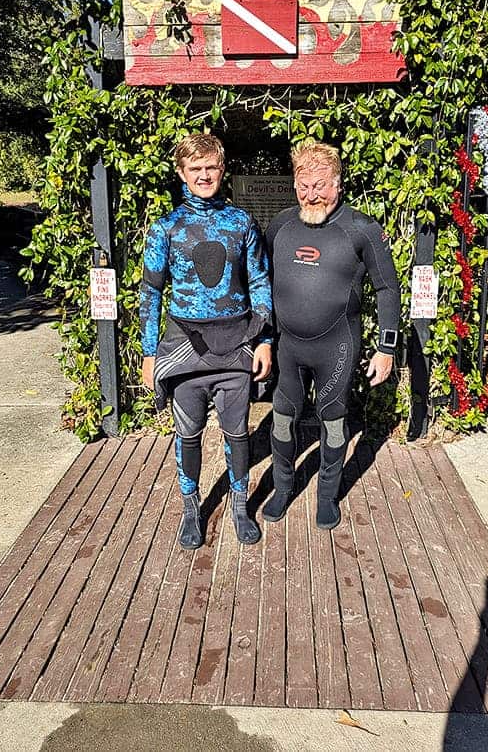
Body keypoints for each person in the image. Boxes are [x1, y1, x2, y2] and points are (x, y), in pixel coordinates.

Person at [140, 133, 272, 550]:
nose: (203, 175)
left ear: (222, 169)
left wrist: (264, 339)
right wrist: (148, 353)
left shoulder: (241, 223)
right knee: (188, 435)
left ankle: (238, 506)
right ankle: (190, 508)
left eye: (210, 167)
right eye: (194, 169)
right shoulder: (167, 229)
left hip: (235, 344)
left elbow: (259, 281)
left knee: (237, 434)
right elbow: (150, 292)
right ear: (181, 173)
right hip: (185, 347)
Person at [262, 139, 401, 530]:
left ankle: (327, 495)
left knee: (334, 421)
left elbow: (387, 289)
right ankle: (283, 489)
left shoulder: (362, 229)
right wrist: (259, 339)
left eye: (321, 185)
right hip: (288, 346)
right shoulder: (281, 226)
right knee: (282, 420)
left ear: (338, 184)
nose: (312, 195)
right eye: (304, 186)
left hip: (337, 345)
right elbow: (260, 282)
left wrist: (386, 348)